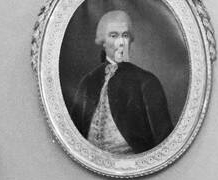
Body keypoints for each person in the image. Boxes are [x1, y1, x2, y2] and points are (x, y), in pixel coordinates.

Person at [70, 9, 174, 156]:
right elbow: (73, 134)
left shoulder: (147, 82)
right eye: (113, 35)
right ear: (103, 41)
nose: (120, 42)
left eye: (125, 35)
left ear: (130, 40)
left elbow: (165, 142)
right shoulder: (88, 82)